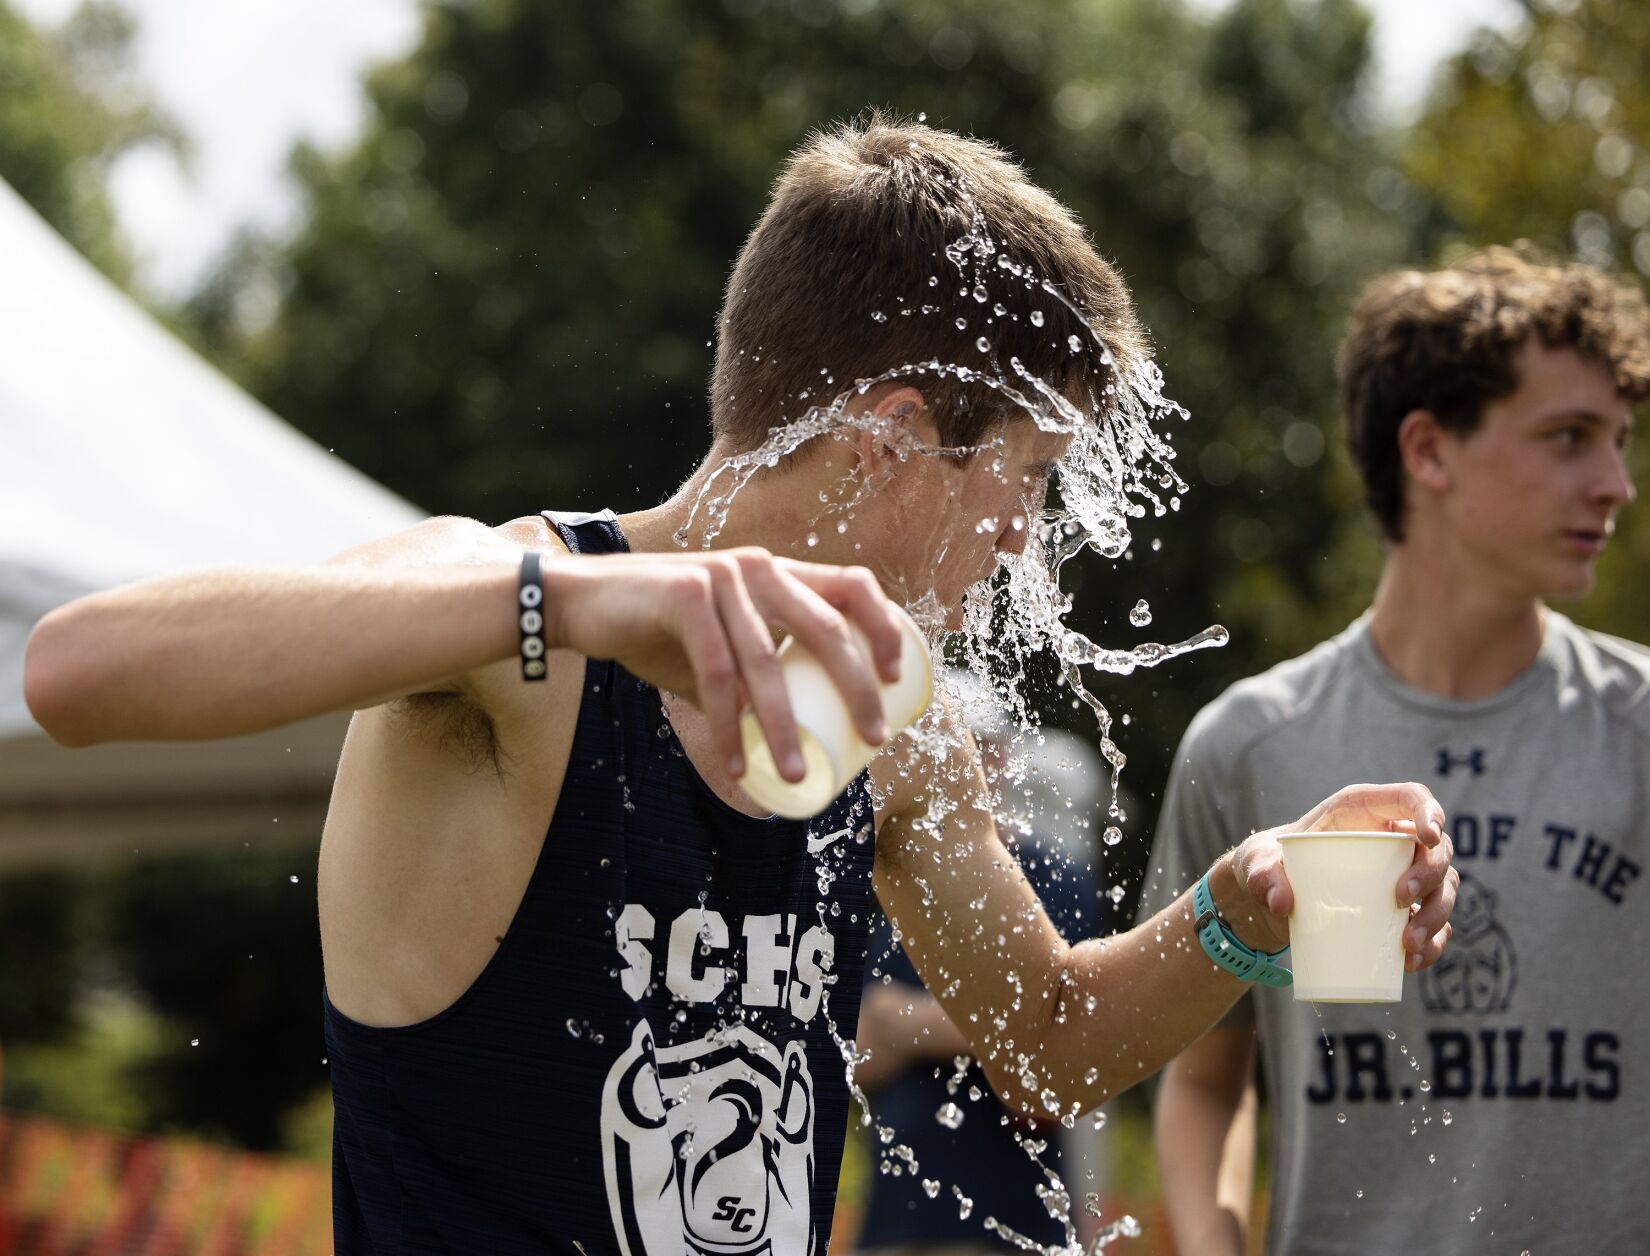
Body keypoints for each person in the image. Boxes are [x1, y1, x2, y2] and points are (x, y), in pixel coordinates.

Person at [24, 116, 1454, 1255]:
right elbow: (78, 668)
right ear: (893, 437)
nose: (1025, 537)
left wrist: (1240, 913)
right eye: (1021, 476)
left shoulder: (887, 729)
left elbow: (1050, 1046)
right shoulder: (522, 619)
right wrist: (585, 603)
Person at [1143, 247, 1650, 1255]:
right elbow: (1201, 1080)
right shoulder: (1248, 745)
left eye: (1620, 442)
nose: (1616, 485)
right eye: (1569, 437)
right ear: (1429, 451)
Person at [852, 677, 1113, 1255]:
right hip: (897, 1217)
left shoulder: (1053, 875)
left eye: (977, 746)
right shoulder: (899, 873)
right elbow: (861, 1053)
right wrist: (988, 1022)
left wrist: (906, 1023)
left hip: (1016, 1217)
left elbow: (1062, 1028)